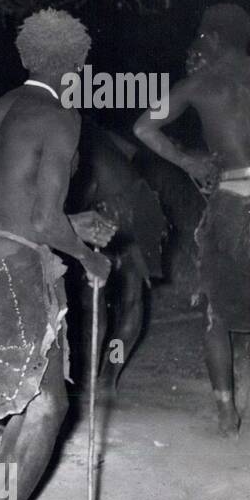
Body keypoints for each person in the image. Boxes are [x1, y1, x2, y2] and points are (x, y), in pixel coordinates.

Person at [0, 9, 115, 500]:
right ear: (76, 64)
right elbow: (43, 223)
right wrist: (89, 257)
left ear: (27, 58)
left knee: (28, 399)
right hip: (14, 265)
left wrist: (77, 223)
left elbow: (2, 203)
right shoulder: (60, 116)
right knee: (50, 405)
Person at [134, 4, 250, 434]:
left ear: (215, 39)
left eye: (201, 36)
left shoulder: (198, 84)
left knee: (218, 310)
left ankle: (226, 412)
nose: (197, 44)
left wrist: (189, 162)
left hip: (233, 200)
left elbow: (144, 128)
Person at [75, 125, 168, 391]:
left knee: (95, 297)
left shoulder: (71, 129)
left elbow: (87, 184)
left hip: (111, 210)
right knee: (131, 298)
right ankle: (107, 377)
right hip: (143, 205)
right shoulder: (101, 131)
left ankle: (93, 375)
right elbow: (131, 152)